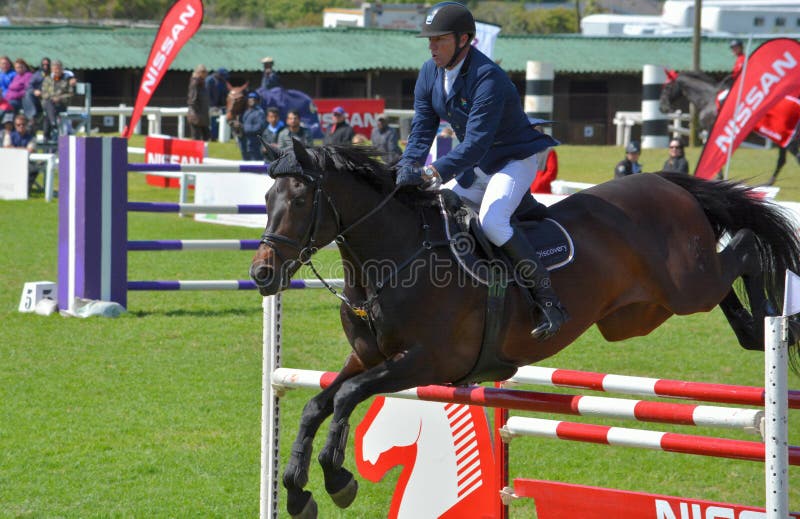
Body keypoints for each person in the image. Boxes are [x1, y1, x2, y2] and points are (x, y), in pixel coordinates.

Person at [396, 2, 565, 340]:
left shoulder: (488, 77)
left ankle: (549, 302)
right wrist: (406, 166)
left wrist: (431, 175)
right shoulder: (429, 72)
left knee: (493, 222)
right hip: (477, 165)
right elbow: (422, 129)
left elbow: (474, 143)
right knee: (440, 213)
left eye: (439, 40)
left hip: (512, 160)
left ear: (464, 40)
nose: (431, 47)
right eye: (429, 40)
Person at [41, 60, 74, 140]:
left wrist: (59, 98)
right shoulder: (48, 79)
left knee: (47, 115)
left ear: (61, 69)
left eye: (58, 69)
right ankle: (53, 124)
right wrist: (52, 97)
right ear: (52, 69)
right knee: (49, 104)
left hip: (61, 104)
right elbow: (44, 93)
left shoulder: (66, 80)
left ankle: (47, 135)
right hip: (49, 103)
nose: (56, 71)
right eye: (54, 69)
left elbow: (70, 94)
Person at [528, 118, 558, 194]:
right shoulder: (528, 151)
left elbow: (551, 172)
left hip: (543, 192)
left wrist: (538, 184)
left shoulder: (549, 151)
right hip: (528, 191)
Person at [239, 92, 266, 160]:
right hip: (245, 142)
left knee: (255, 164)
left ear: (257, 101)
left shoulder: (259, 112)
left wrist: (243, 127)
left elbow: (259, 127)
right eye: (250, 98)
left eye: (254, 99)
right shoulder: (246, 111)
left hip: (254, 143)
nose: (252, 100)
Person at [23, 57, 50, 125]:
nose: (45, 66)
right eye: (44, 64)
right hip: (38, 97)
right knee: (27, 94)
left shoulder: (53, 74)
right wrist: (34, 91)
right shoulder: (37, 75)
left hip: (49, 97)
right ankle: (31, 117)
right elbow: (29, 86)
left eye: (47, 64)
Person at [187, 64, 210, 141]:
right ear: (199, 73)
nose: (206, 74)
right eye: (204, 72)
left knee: (206, 137)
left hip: (202, 115)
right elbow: (192, 100)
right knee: (196, 139)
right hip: (196, 116)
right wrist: (197, 114)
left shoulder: (202, 83)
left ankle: (204, 153)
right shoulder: (195, 83)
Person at [206, 67, 229, 140]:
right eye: (222, 76)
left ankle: (220, 137)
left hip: (221, 106)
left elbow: (225, 92)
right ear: (218, 74)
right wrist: (212, 105)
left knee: (223, 121)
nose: (224, 77)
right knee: (213, 122)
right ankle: (213, 137)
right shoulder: (209, 80)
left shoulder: (222, 81)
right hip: (212, 106)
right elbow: (207, 94)